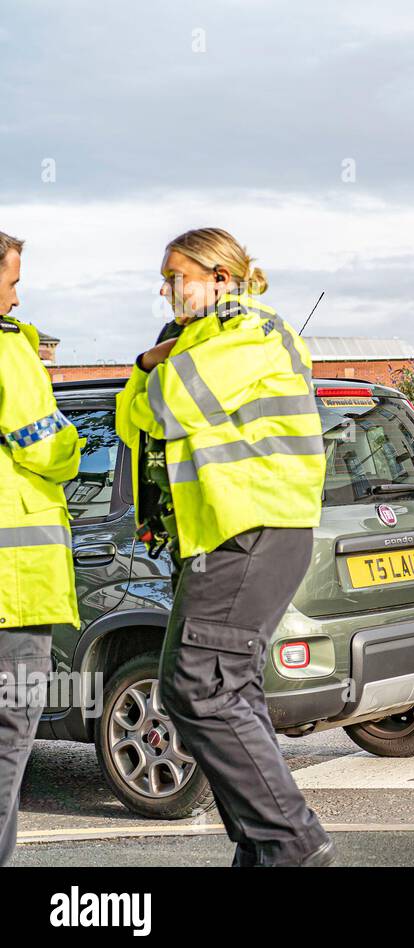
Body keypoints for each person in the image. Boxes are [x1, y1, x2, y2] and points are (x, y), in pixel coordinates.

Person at [115, 227, 334, 867]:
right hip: (225, 533)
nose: (165, 289)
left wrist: (157, 366)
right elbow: (138, 415)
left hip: (254, 528)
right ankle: (264, 848)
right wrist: (153, 367)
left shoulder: (254, 330)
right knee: (222, 690)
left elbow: (175, 402)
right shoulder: (200, 340)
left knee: (200, 689)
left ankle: (291, 843)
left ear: (220, 278)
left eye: (175, 275)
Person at [0, 231, 81, 865]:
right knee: (9, 735)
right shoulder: (9, 351)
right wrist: (74, 442)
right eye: (12, 281)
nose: (17, 297)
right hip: (16, 585)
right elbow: (45, 445)